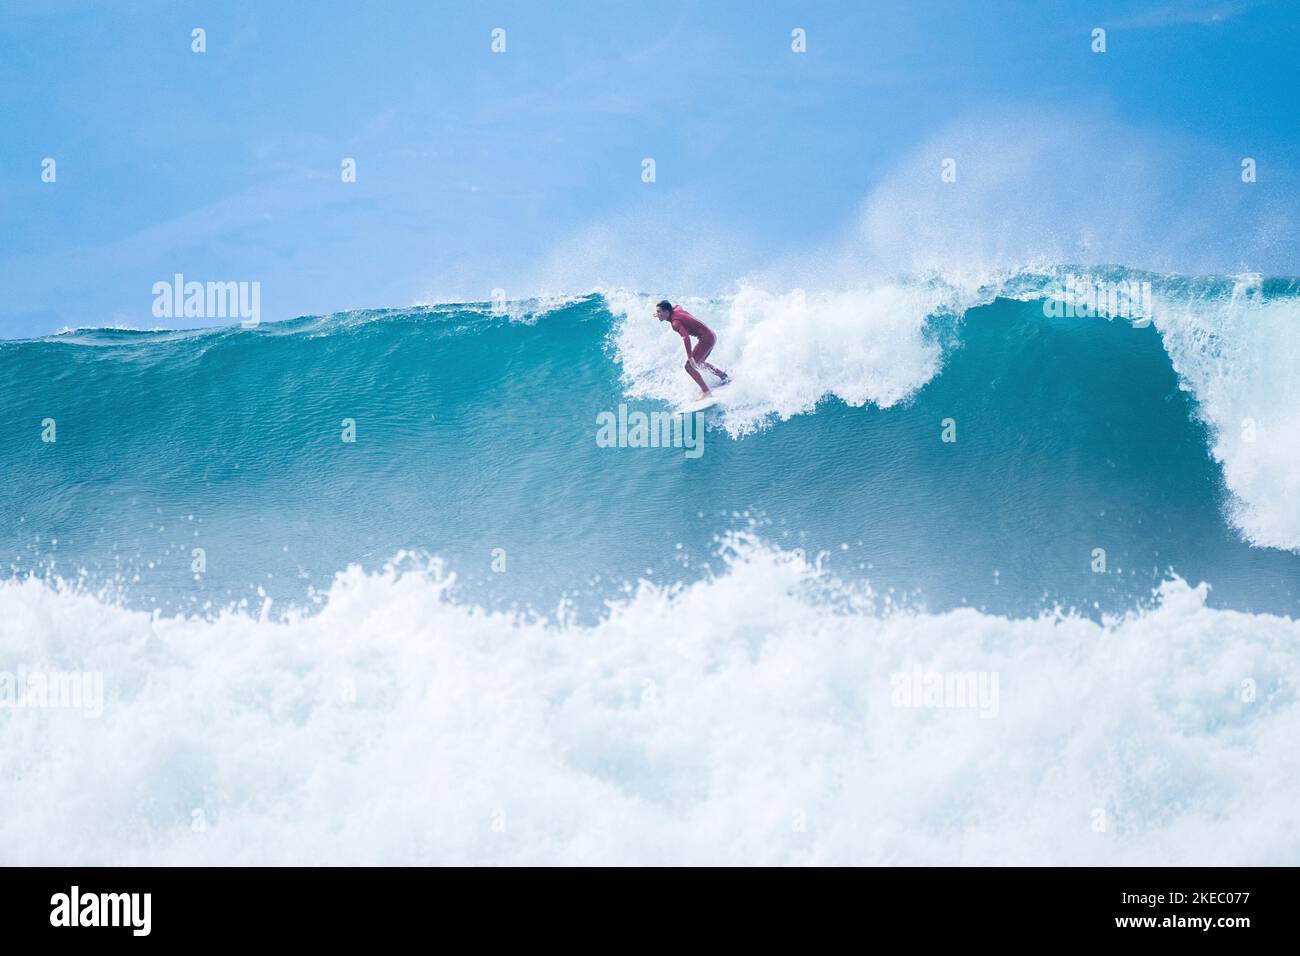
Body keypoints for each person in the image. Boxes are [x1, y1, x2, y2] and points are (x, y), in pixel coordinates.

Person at [655, 300, 730, 398]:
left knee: (689, 366)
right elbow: (678, 305)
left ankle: (706, 392)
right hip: (711, 336)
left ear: (666, 312)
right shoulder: (676, 309)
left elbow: (686, 337)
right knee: (700, 363)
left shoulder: (675, 323)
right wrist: (663, 313)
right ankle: (723, 376)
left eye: (659, 312)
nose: (657, 314)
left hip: (706, 339)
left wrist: (690, 357)